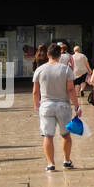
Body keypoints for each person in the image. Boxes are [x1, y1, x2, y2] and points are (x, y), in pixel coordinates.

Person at [32, 44, 79, 172]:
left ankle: (50, 164)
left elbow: (35, 92)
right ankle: (66, 161)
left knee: (48, 136)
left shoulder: (39, 70)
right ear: (60, 55)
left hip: (46, 105)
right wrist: (77, 106)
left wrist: (37, 106)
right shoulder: (66, 69)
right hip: (63, 106)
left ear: (48, 54)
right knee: (65, 135)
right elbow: (70, 89)